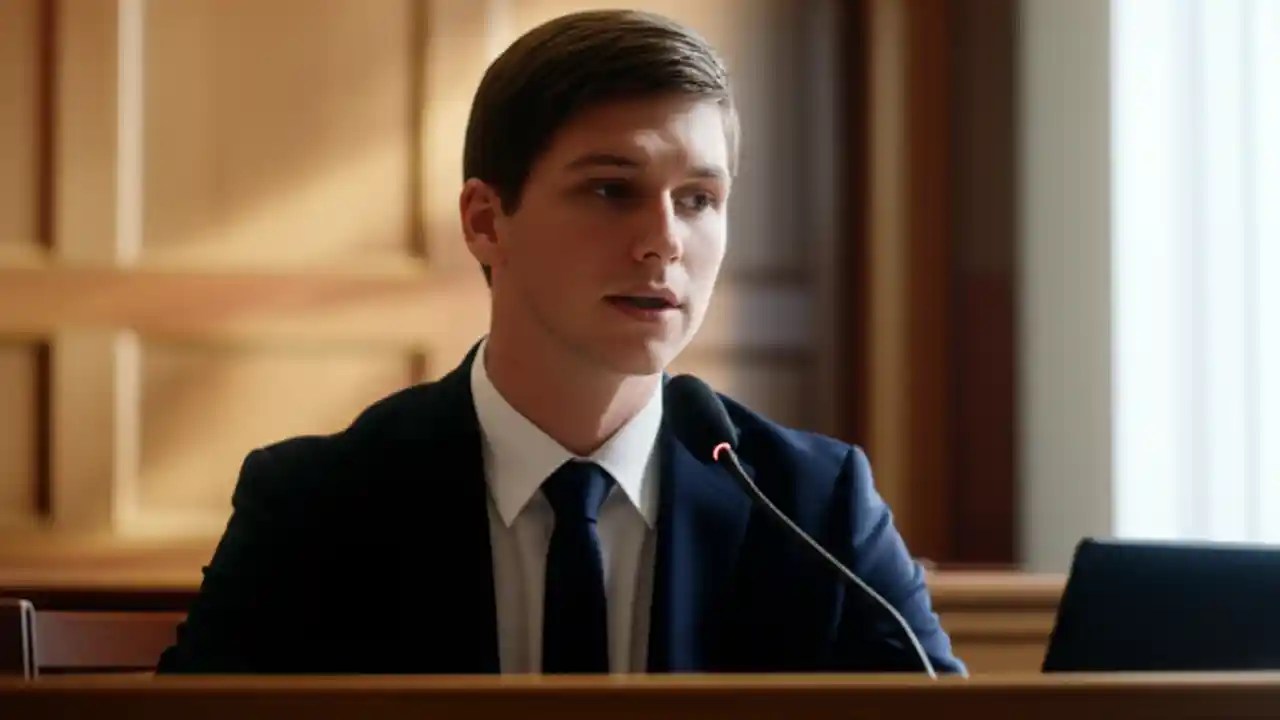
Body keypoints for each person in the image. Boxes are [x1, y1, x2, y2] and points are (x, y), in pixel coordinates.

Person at [157, 9, 964, 675]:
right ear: (484, 221)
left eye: (698, 198)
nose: (664, 243)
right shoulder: (316, 505)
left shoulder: (813, 507)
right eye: (612, 190)